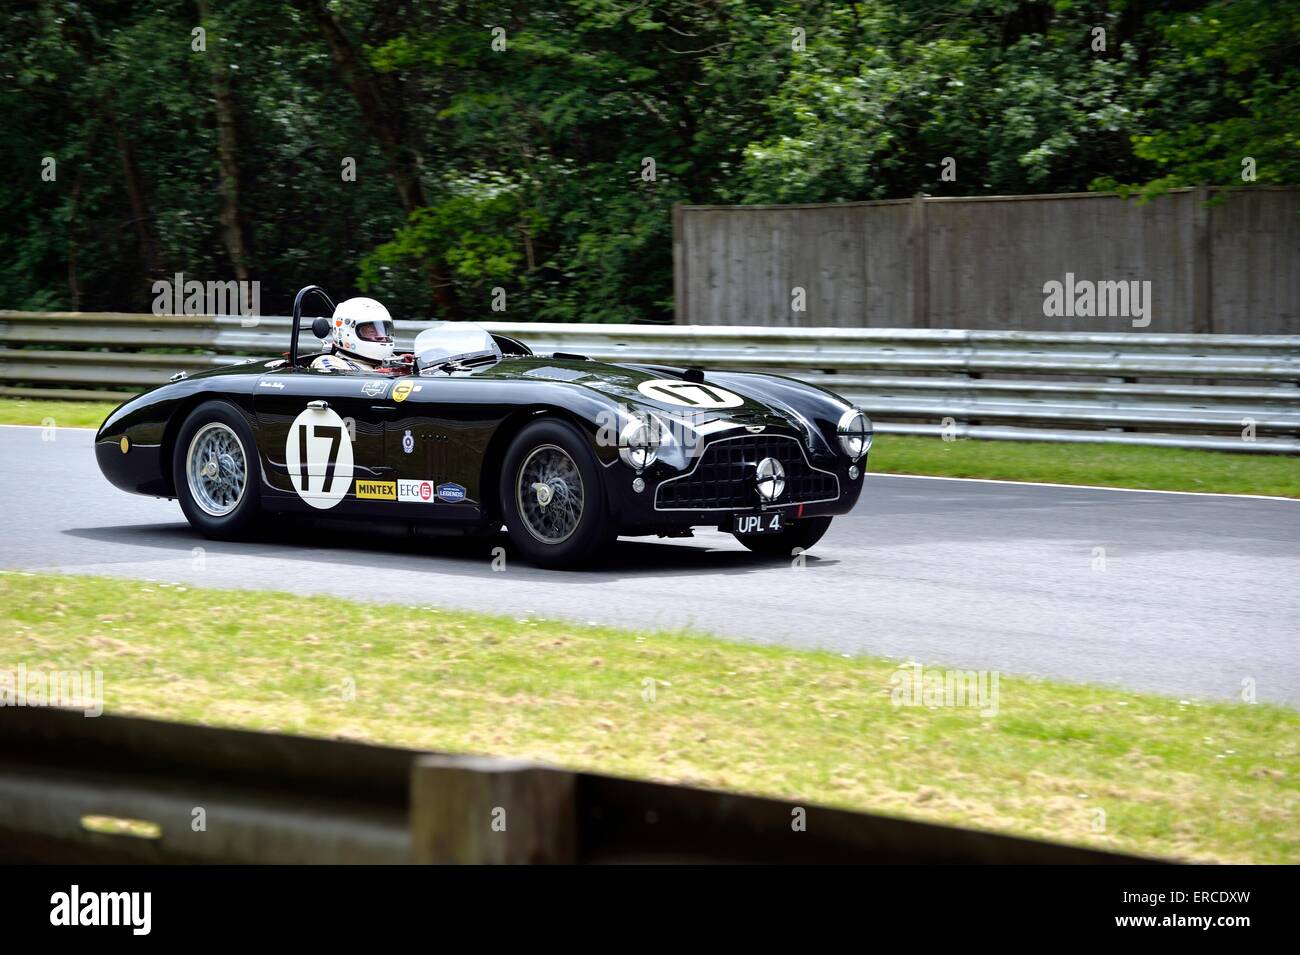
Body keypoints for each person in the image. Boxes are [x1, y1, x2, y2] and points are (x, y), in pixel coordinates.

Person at [311, 297, 405, 373]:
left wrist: (407, 366)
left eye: (383, 331)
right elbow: (338, 386)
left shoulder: (393, 360)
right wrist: (383, 373)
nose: (382, 337)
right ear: (346, 332)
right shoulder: (329, 362)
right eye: (372, 331)